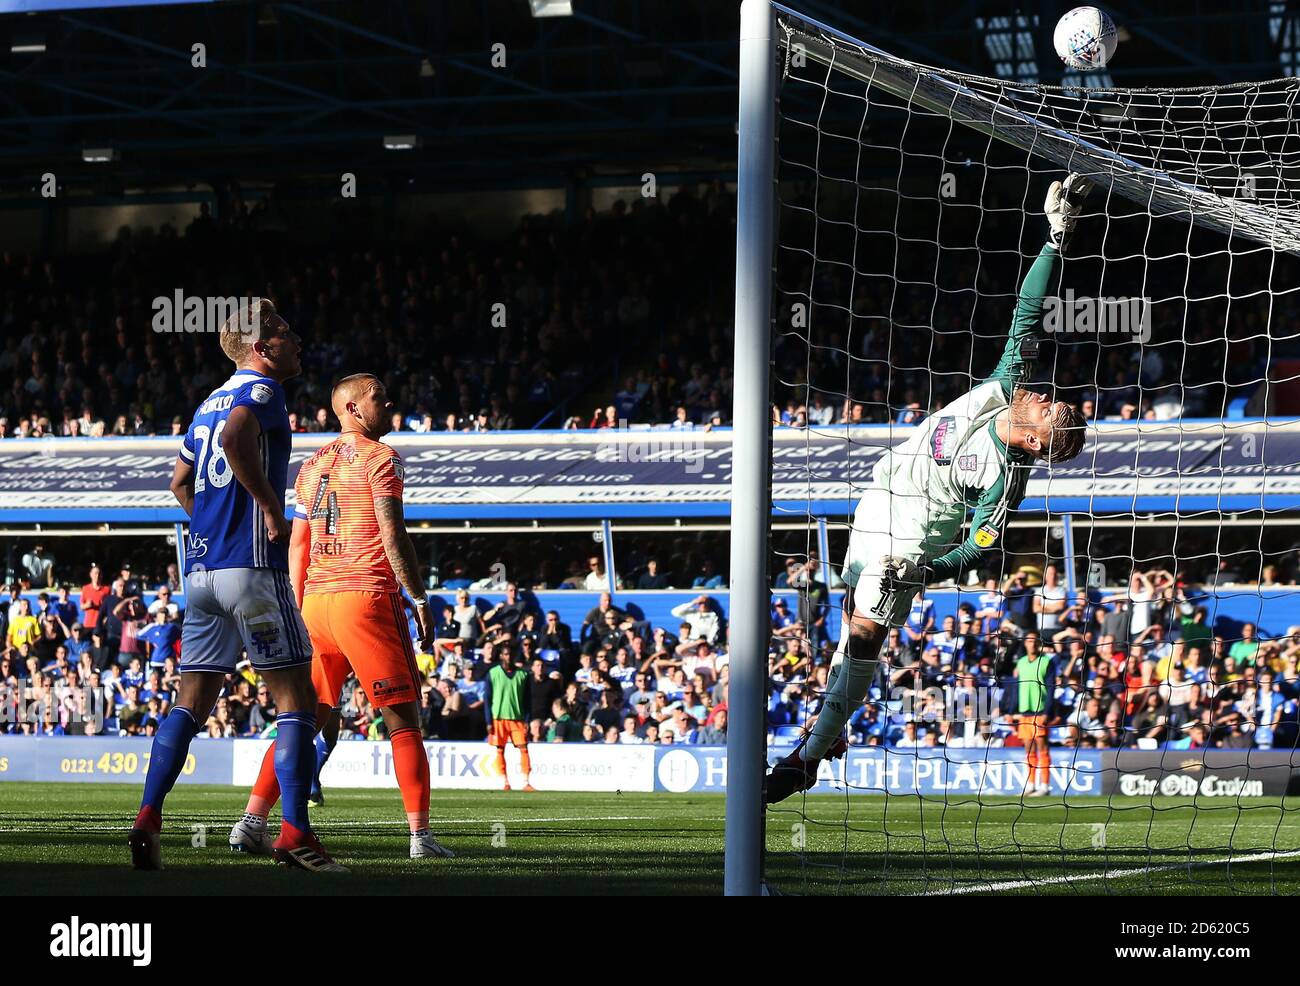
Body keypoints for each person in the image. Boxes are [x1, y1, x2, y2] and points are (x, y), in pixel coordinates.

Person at [766, 175, 1092, 803]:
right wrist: (1057, 237)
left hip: (909, 541)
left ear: (1032, 442)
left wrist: (919, 570)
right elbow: (1027, 313)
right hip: (876, 503)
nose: (1045, 397)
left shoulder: (1007, 478)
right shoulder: (1003, 387)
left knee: (863, 634)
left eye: (1051, 412)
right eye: (1052, 399)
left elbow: (980, 548)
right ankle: (829, 727)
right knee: (846, 635)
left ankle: (808, 755)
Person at [128, 299, 339, 872]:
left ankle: (148, 816)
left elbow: (178, 480)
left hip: (202, 575)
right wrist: (270, 508)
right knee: (299, 704)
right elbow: (238, 438)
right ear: (261, 349)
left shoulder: (203, 405)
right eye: (284, 331)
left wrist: (207, 527)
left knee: (190, 705)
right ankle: (295, 833)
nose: (296, 339)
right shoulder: (261, 392)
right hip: (252, 572)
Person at [229, 373, 454, 861]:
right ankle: (420, 838)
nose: (389, 402)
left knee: (300, 718)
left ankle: (251, 821)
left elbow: (299, 543)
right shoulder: (382, 459)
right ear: (351, 408)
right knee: (403, 722)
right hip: (366, 598)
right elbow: (393, 537)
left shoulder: (311, 465)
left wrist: (294, 602)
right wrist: (419, 597)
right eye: (378, 397)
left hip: (316, 604)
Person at [1014, 631, 1059, 795]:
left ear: (1038, 644)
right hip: (1025, 711)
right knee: (1028, 748)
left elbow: (1051, 687)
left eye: (1034, 641)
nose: (1031, 644)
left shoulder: (1047, 662)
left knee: (1043, 747)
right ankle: (1031, 784)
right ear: (1025, 643)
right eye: (1028, 641)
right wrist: (1012, 710)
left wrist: (1047, 711)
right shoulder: (1021, 662)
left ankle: (1045, 785)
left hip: (1040, 710)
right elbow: (1016, 686)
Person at [484, 649, 533, 791]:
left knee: (524, 748)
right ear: (501, 656)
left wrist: (527, 719)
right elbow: (487, 699)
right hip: (498, 718)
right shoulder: (493, 673)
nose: (508, 656)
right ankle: (504, 782)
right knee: (499, 749)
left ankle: (526, 782)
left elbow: (527, 700)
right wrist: (488, 721)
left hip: (517, 718)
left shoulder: (523, 674)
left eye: (510, 654)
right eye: (505, 654)